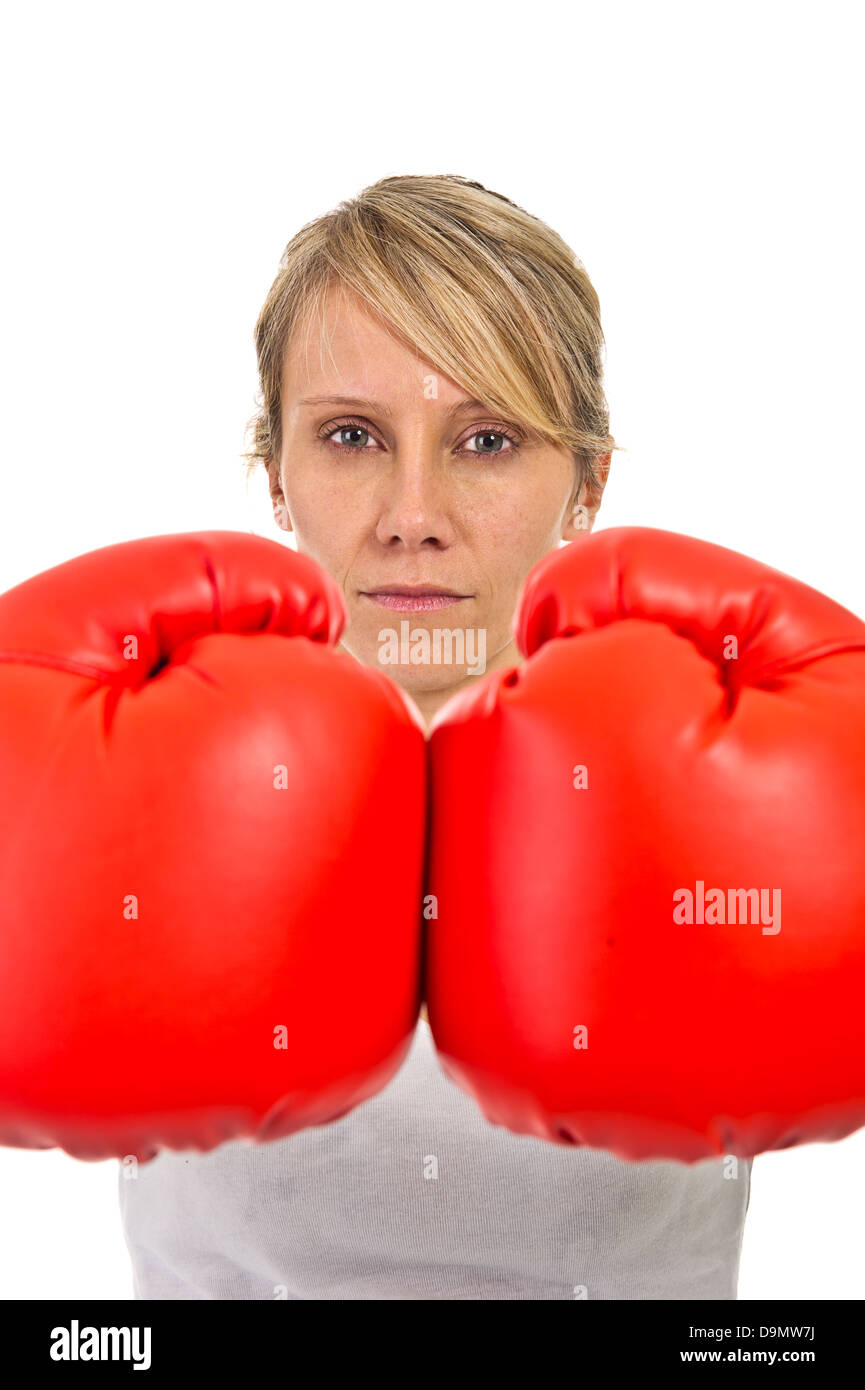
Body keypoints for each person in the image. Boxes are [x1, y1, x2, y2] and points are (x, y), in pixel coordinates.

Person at [118, 174, 751, 1300]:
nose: (414, 513)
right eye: (352, 435)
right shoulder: (131, 780)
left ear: (588, 483)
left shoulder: (722, 789)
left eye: (488, 439)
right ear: (276, 475)